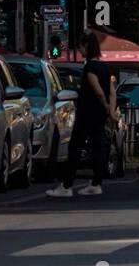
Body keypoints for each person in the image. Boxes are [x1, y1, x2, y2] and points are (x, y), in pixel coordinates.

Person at [46, 31, 117, 198]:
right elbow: (111, 92)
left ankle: (66, 185)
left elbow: (98, 91)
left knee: (75, 146)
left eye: (81, 47)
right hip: (100, 114)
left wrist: (105, 105)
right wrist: (111, 111)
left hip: (87, 112)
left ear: (86, 46)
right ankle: (96, 183)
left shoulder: (90, 67)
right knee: (99, 146)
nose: (80, 50)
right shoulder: (105, 68)